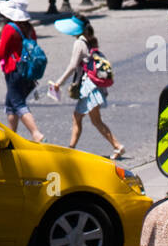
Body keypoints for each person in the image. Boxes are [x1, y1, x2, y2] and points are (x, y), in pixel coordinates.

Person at [49, 16, 124, 159]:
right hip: (93, 87)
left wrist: (59, 82)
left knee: (80, 117)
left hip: (89, 88)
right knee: (93, 120)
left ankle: (71, 150)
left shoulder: (79, 43)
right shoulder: (88, 41)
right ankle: (116, 146)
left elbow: (72, 66)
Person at [0, 0, 44, 143]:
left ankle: (36, 134)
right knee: (10, 105)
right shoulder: (30, 28)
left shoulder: (9, 28)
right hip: (27, 71)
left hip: (14, 70)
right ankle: (11, 137)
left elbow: (1, 52)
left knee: (18, 103)